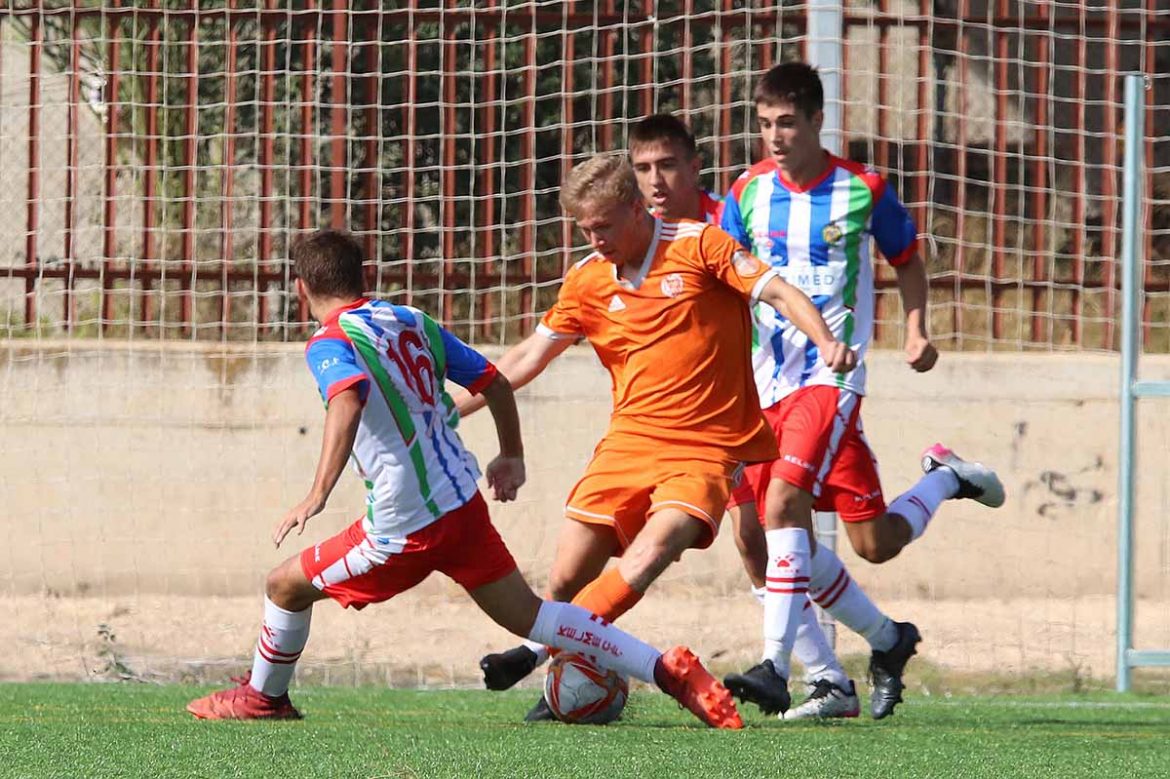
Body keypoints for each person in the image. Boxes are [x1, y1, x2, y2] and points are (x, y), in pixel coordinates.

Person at [184, 229, 742, 730]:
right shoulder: (411, 320)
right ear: (362, 277)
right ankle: (664, 669)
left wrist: (317, 493)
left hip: (403, 527)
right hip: (460, 504)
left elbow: (347, 399)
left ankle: (263, 699)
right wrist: (511, 454)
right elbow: (494, 381)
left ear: (301, 288)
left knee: (283, 585)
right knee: (534, 617)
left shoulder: (329, 342)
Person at [458, 154, 856, 722]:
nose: (596, 241)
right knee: (566, 577)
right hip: (627, 444)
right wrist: (446, 411)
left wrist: (825, 340)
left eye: (604, 226)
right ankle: (567, 677)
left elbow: (778, 292)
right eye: (585, 230)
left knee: (650, 555)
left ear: (636, 208)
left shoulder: (700, 246)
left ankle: (532, 654)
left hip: (705, 449)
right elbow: (525, 358)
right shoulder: (587, 280)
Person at [718, 61, 1006, 719]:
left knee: (783, 505)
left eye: (787, 123)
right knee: (870, 542)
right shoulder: (748, 192)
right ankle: (941, 489)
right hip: (766, 382)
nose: (775, 136)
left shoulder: (862, 188)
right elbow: (727, 278)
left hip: (834, 375)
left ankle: (776, 667)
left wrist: (916, 329)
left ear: (818, 120)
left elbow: (907, 259)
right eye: (764, 124)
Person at [630, 112, 861, 720]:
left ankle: (816, 664)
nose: (656, 181)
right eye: (643, 168)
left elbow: (776, 285)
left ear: (694, 167)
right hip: (707, 408)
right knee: (756, 538)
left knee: (801, 527)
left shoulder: (727, 219)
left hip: (769, 392)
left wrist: (824, 340)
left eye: (667, 165)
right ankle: (834, 672)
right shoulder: (635, 238)